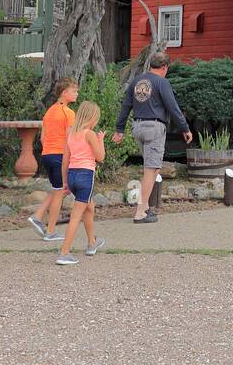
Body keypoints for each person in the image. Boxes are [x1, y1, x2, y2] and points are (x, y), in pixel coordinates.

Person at [113, 52, 192, 223]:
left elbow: (126, 105)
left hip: (137, 127)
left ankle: (146, 208)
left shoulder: (136, 81)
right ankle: (140, 212)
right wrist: (185, 128)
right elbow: (173, 107)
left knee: (152, 168)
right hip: (154, 127)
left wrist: (120, 129)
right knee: (151, 169)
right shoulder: (161, 82)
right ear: (164, 67)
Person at [56, 101, 106, 266]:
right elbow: (100, 157)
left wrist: (64, 182)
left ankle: (92, 242)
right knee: (77, 215)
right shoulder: (89, 134)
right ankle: (64, 252)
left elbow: (65, 161)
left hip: (72, 175)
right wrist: (101, 141)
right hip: (86, 175)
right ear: (91, 117)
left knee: (89, 206)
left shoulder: (71, 133)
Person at [29, 77, 78, 241]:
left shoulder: (49, 112)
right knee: (60, 191)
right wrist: (69, 159)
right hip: (60, 155)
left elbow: (43, 138)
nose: (77, 94)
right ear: (65, 92)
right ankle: (50, 231)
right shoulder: (69, 113)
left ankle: (38, 215)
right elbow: (69, 139)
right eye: (74, 91)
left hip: (47, 154)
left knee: (57, 188)